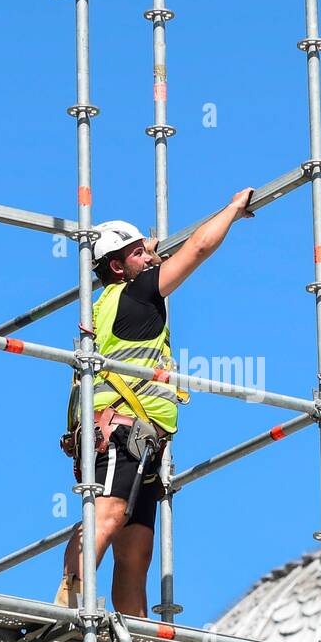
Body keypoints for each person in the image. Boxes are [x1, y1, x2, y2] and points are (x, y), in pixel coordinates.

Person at [56, 188, 255, 617]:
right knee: (106, 516)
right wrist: (232, 209)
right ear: (117, 266)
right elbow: (199, 248)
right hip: (122, 431)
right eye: (139, 255)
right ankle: (72, 603)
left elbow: (146, 262)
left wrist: (143, 249)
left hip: (143, 440)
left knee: (136, 550)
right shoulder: (138, 294)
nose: (151, 259)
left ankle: (136, 640)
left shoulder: (112, 301)